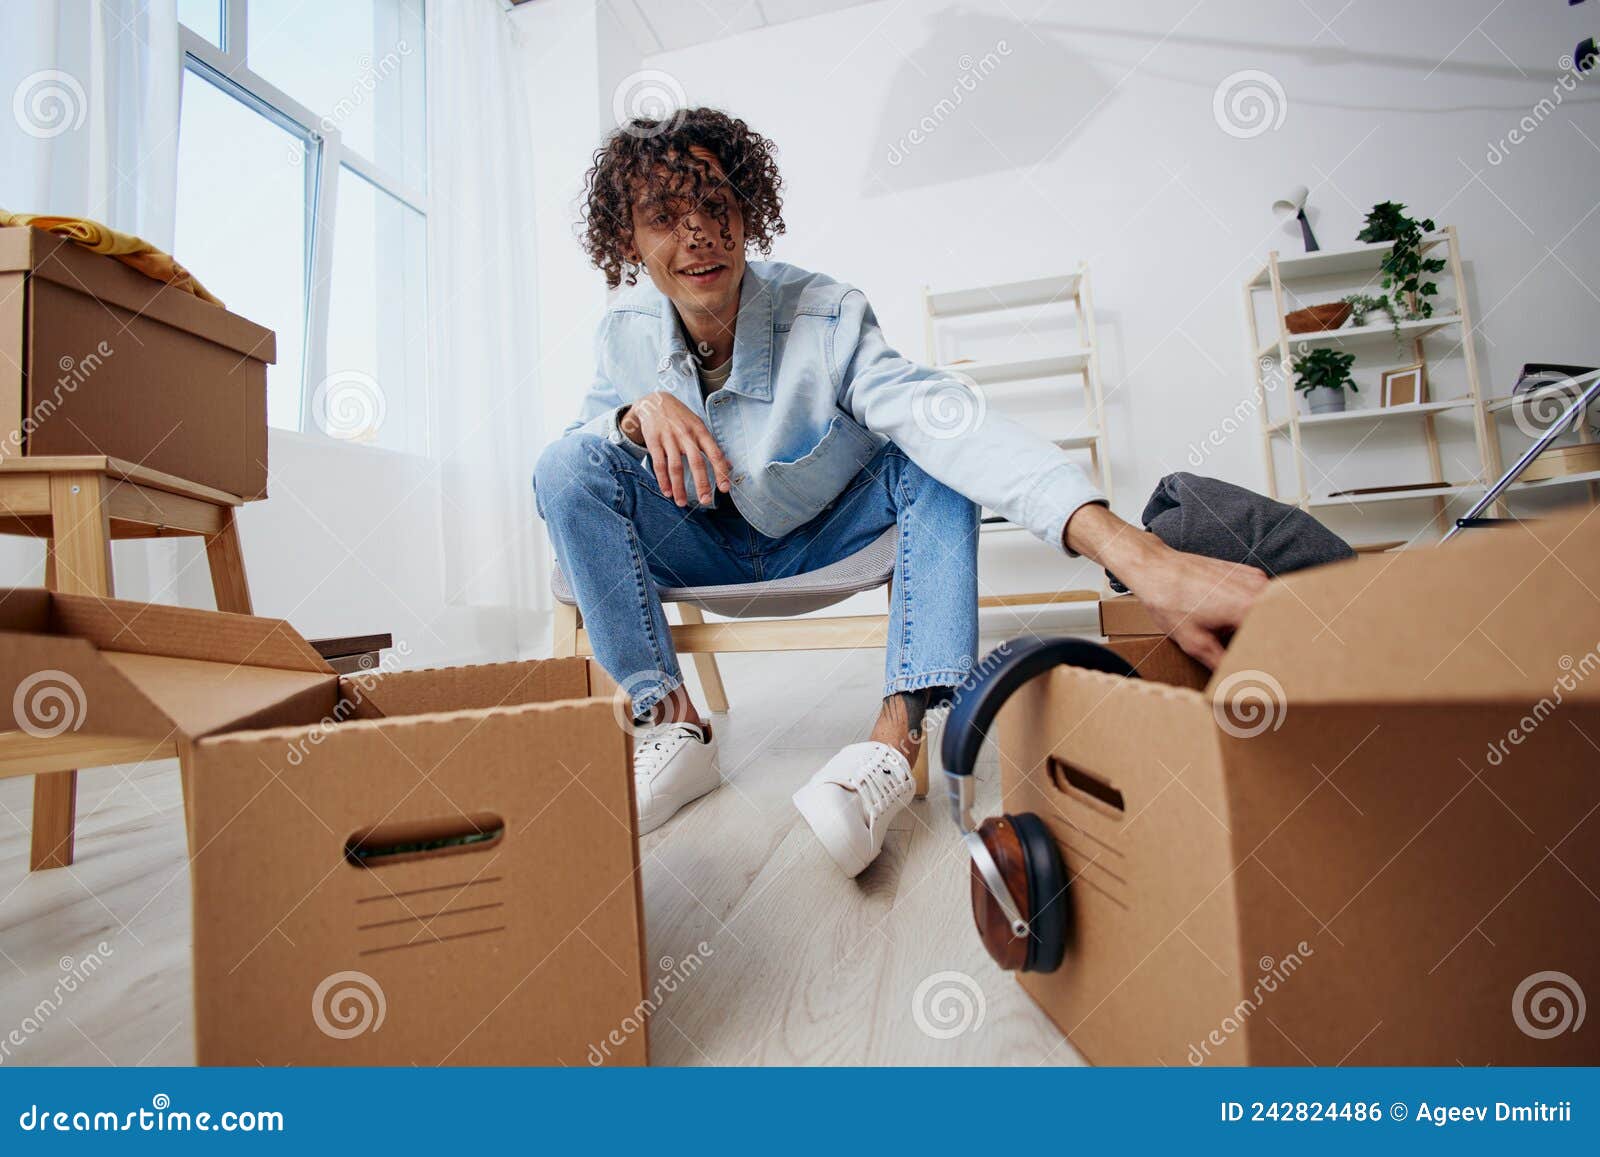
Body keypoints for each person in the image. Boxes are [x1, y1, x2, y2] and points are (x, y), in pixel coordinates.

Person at [533, 108, 1266, 875]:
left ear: (748, 209)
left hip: (823, 533)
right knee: (564, 465)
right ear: (627, 241)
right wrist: (632, 414)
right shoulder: (622, 331)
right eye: (664, 217)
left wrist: (1141, 555)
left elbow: (938, 417)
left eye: (717, 205)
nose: (699, 235)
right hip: (697, 544)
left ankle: (892, 742)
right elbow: (576, 462)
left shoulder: (827, 313)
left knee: (930, 455)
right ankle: (671, 724)